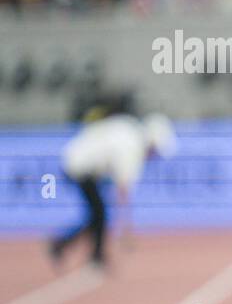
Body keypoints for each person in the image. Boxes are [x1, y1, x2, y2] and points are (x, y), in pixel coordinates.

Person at [49, 112, 177, 267]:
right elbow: (123, 191)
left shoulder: (129, 130)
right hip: (79, 166)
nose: (153, 156)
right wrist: (126, 230)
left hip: (81, 162)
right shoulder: (132, 146)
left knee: (97, 214)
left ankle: (68, 246)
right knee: (99, 214)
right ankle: (90, 254)